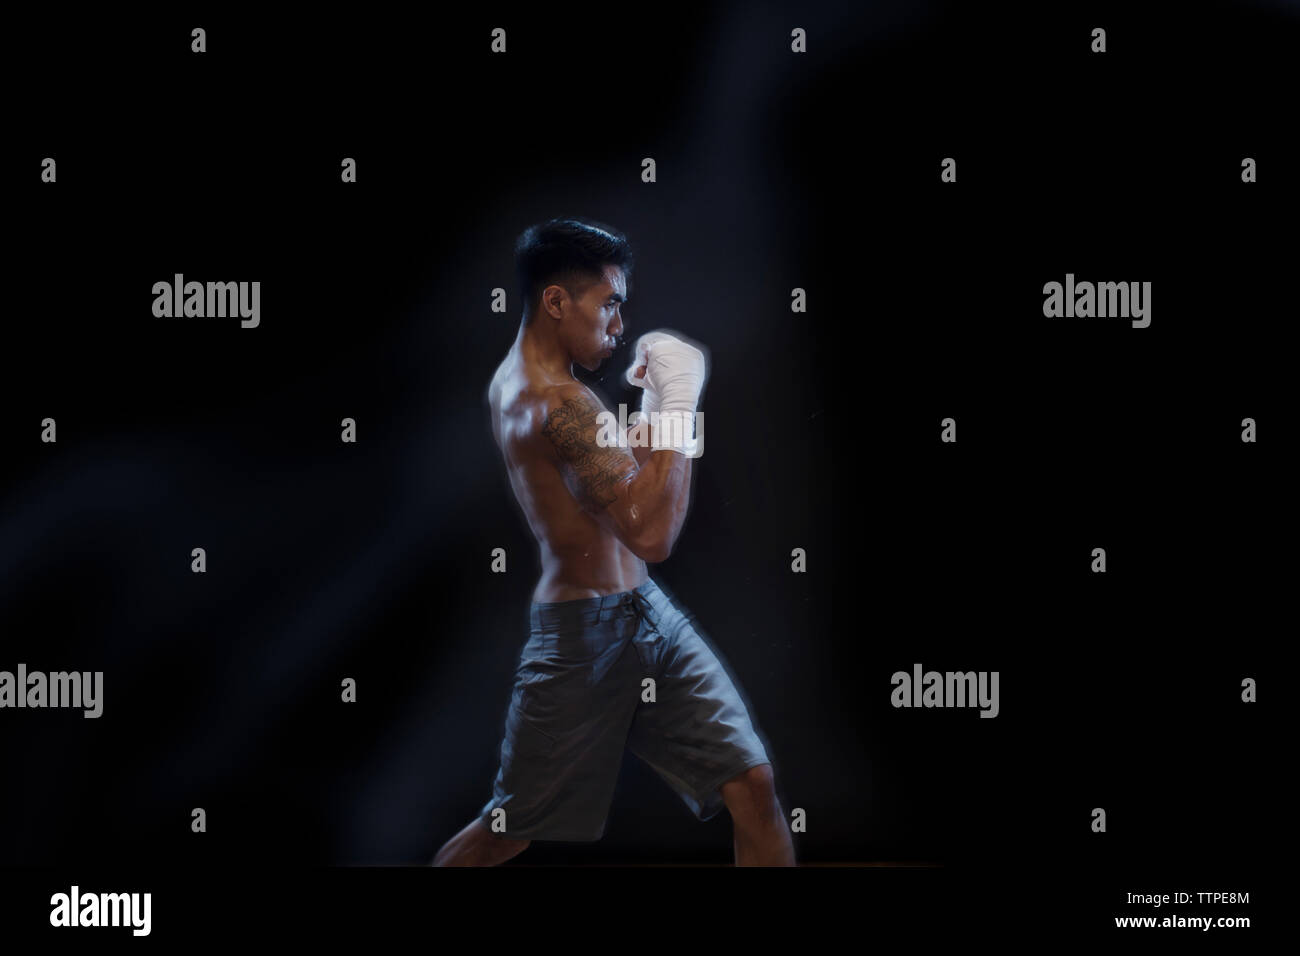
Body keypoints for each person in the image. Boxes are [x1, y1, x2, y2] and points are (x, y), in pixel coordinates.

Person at [432, 217, 794, 866]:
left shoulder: (525, 385)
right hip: (583, 636)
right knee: (507, 829)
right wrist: (677, 401)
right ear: (556, 301)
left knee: (753, 784)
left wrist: (655, 419)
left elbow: (600, 483)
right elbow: (652, 533)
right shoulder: (559, 402)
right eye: (610, 305)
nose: (619, 325)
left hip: (647, 615)